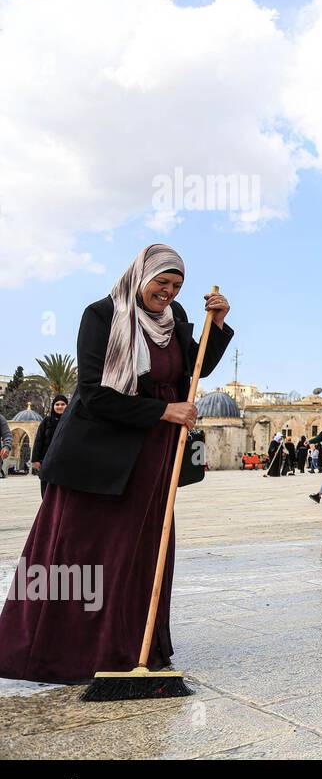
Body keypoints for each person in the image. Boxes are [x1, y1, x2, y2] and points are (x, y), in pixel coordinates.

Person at [0, 244, 232, 683]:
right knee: (85, 552)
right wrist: (164, 412)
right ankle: (59, 652)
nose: (167, 291)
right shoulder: (102, 315)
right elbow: (93, 392)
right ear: (140, 274)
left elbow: (195, 369)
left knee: (137, 551)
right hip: (100, 453)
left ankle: (127, 647)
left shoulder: (177, 318)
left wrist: (216, 325)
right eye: (161, 282)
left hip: (153, 455)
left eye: (176, 285)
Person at [30, 395, 68, 498]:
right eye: (57, 404)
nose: (60, 406)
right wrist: (36, 460)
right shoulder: (47, 421)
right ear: (53, 406)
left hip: (64, 462)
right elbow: (38, 440)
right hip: (46, 461)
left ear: (67, 406)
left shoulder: (70, 422)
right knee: (46, 488)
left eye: (63, 404)